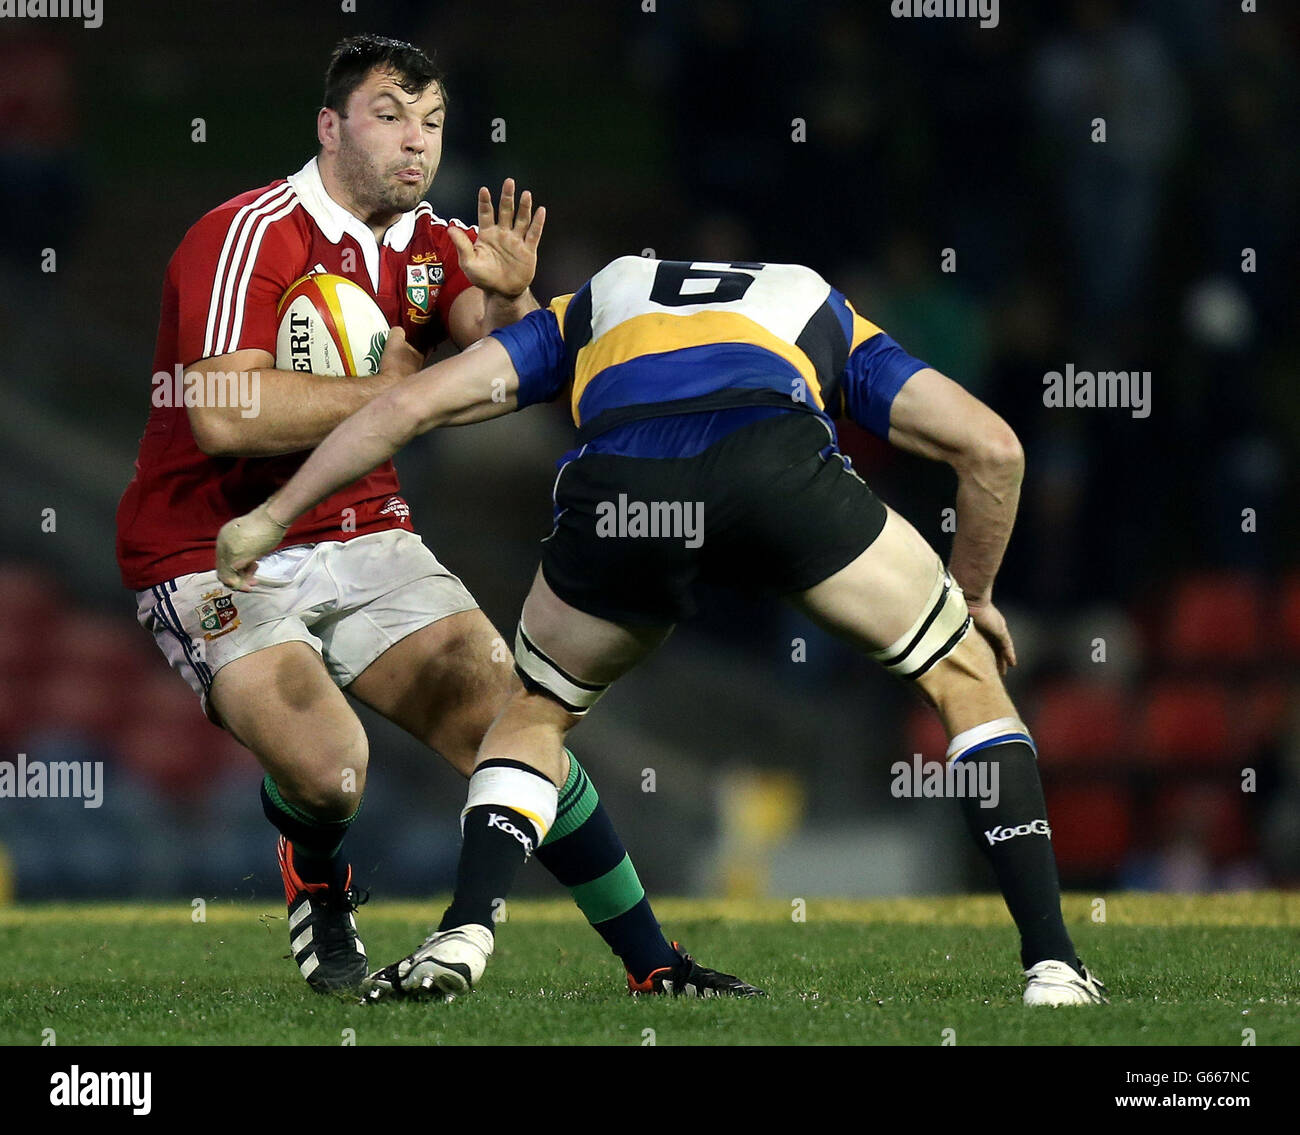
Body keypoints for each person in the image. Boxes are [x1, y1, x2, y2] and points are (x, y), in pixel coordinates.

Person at [217, 255, 1110, 1007]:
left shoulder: (594, 302)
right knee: (962, 677)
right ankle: (1053, 965)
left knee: (533, 713)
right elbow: (993, 449)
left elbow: (408, 409)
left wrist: (272, 515)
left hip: (626, 495)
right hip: (775, 470)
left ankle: (466, 928)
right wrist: (973, 594)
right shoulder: (812, 300)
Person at [117, 36, 758, 999]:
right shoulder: (244, 234)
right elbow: (222, 412)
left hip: (366, 530)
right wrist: (391, 391)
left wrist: (511, 303)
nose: (416, 141)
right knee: (332, 772)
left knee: (512, 728)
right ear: (330, 127)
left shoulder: (434, 243)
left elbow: (506, 370)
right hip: (211, 547)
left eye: (432, 122)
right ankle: (315, 872)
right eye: (389, 117)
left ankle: (653, 963)